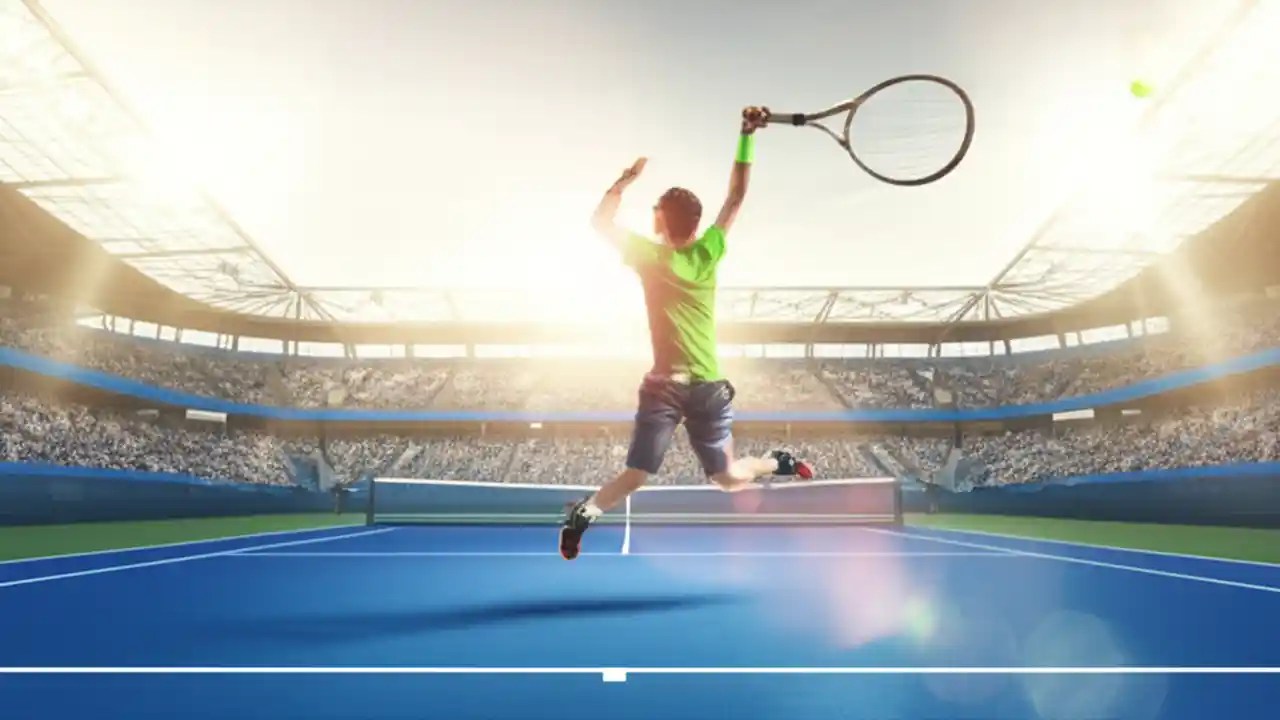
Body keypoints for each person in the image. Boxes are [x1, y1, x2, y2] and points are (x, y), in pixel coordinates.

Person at [559, 107, 814, 560]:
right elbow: (735, 199)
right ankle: (583, 514)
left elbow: (600, 222)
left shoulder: (647, 254)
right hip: (663, 389)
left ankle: (779, 462)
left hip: (708, 390)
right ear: (696, 225)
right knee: (638, 473)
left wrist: (622, 182)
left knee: (729, 480)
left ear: (660, 221)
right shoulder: (707, 249)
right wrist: (746, 135)